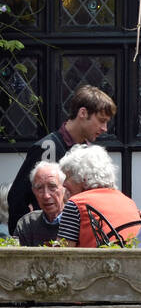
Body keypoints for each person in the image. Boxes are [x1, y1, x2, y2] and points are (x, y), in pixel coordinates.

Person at [7, 84, 115, 233]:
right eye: (102, 120)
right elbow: (17, 198)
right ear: (83, 113)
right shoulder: (47, 147)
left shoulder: (90, 151)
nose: (105, 128)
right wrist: (26, 239)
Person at [59, 144, 141, 247]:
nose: (64, 184)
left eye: (68, 177)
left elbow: (61, 255)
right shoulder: (128, 201)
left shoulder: (76, 204)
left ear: (83, 177)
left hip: (97, 262)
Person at [14, 162, 81, 247]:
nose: (46, 195)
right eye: (39, 188)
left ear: (64, 188)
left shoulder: (77, 221)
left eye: (52, 186)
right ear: (34, 191)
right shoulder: (27, 224)